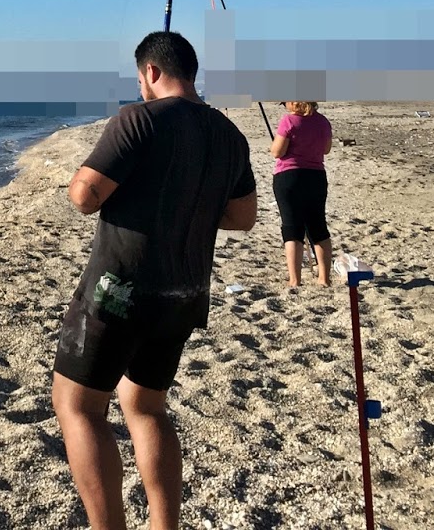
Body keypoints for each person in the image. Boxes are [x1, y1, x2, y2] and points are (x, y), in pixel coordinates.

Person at [51, 30, 257, 530]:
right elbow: (242, 216)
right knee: (146, 407)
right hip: (184, 295)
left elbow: (85, 196)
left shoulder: (136, 119)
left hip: (119, 292)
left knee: (77, 407)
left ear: (151, 73)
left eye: (140, 78)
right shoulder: (229, 134)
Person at [270, 100, 335, 287]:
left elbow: (277, 152)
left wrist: (274, 146)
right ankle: (324, 278)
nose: (285, 106)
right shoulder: (323, 122)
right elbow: (326, 149)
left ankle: (295, 279)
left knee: (291, 227)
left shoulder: (289, 121)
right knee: (318, 226)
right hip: (316, 177)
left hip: (289, 177)